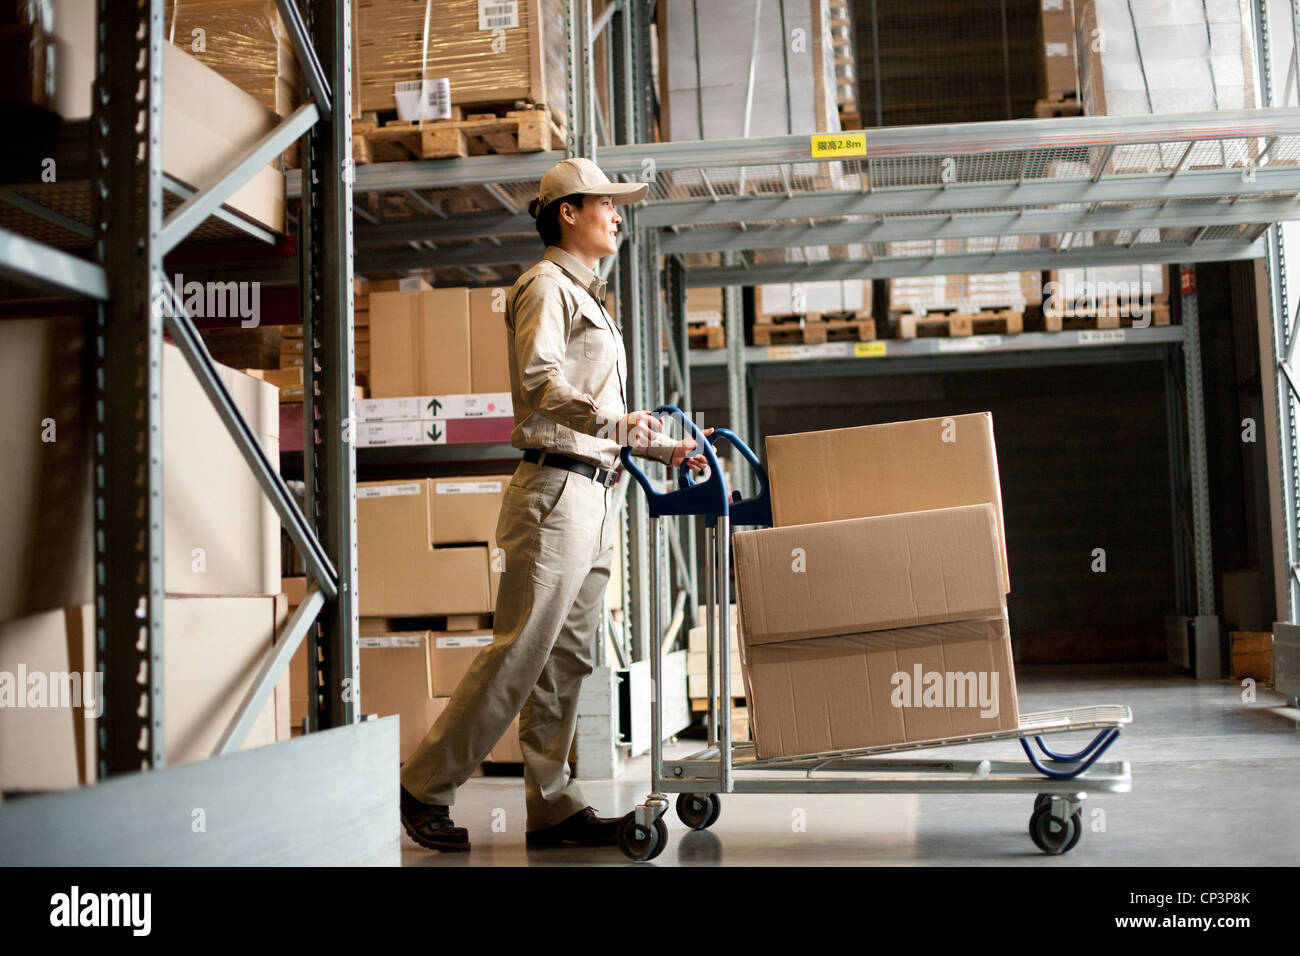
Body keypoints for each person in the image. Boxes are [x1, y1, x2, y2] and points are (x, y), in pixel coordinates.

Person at [399, 157, 711, 852]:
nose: (619, 214)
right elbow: (541, 385)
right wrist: (615, 424)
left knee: (568, 661)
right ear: (567, 212)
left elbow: (608, 417)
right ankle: (423, 785)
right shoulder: (545, 287)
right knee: (519, 655)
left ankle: (552, 805)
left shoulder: (590, 296)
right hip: (555, 494)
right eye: (608, 203)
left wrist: (664, 448)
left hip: (597, 495)